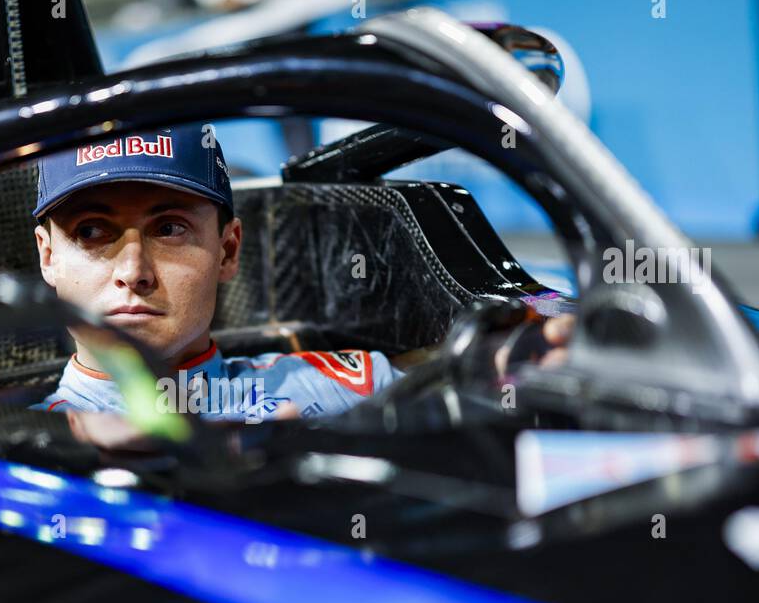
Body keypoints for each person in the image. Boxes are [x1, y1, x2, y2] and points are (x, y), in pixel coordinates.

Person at [31, 124, 570, 443]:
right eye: (92, 232)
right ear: (48, 257)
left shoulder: (330, 388)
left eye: (169, 228)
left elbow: (456, 375)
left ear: (229, 250)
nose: (133, 270)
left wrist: (515, 353)